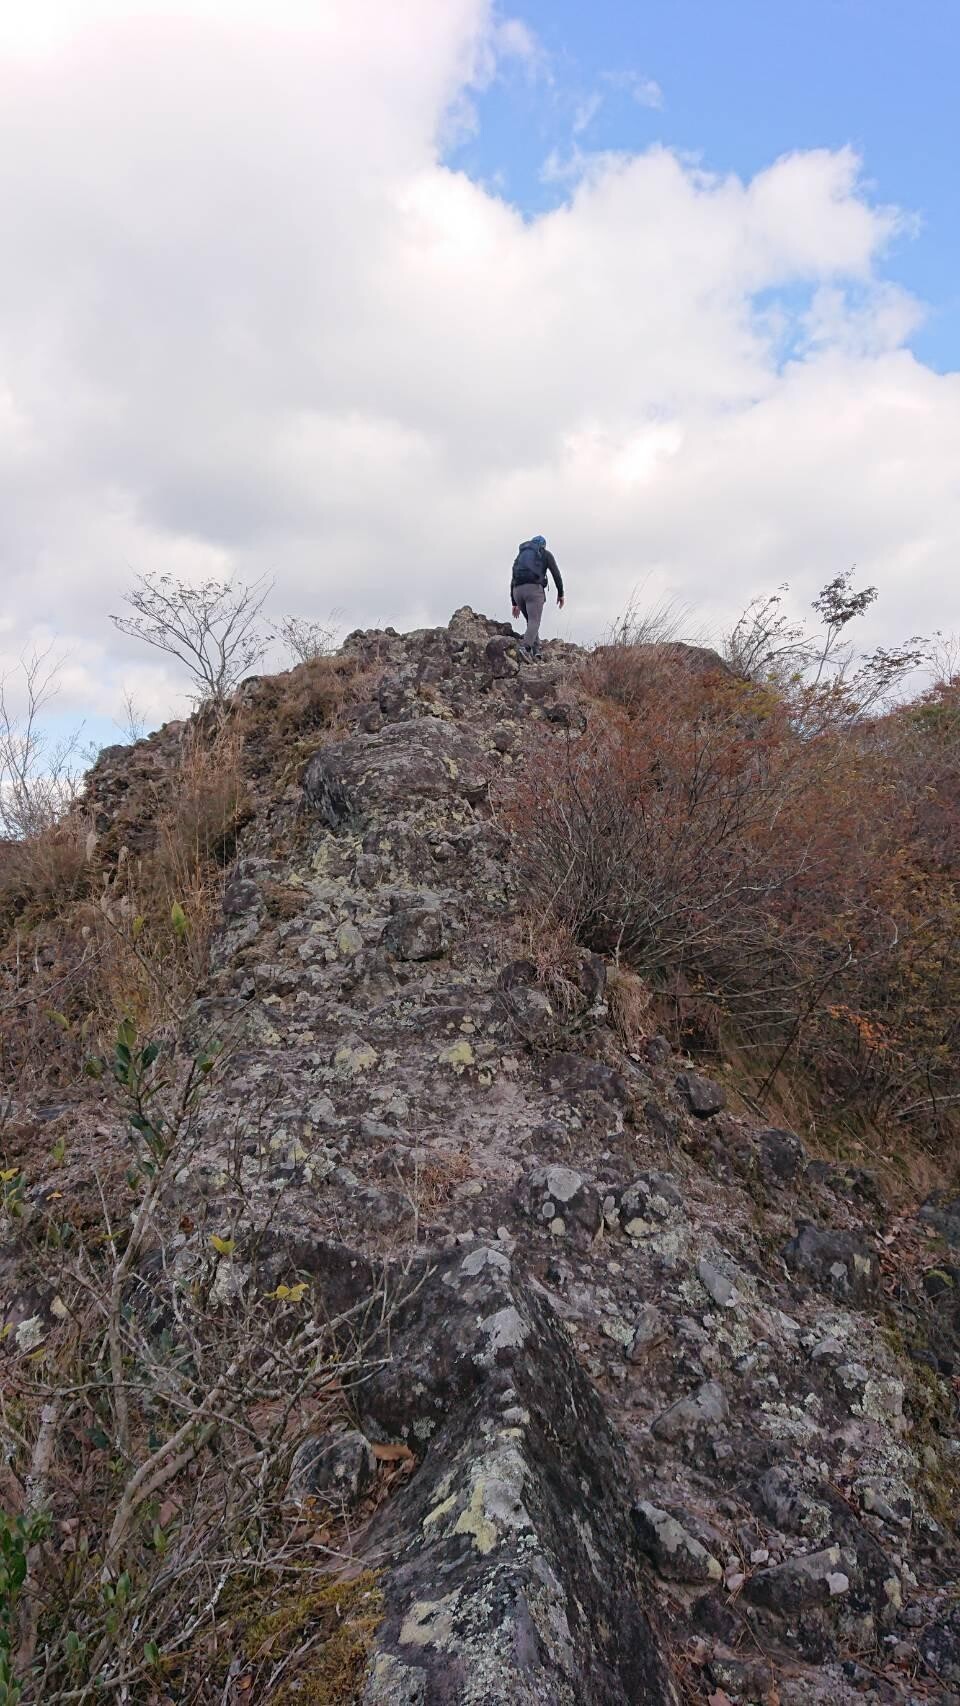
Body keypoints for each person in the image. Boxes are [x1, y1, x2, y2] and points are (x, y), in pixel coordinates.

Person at [510, 535, 564, 660]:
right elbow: (556, 574)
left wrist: (514, 602)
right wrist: (561, 593)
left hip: (517, 591)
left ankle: (536, 650)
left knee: (531, 622)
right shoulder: (545, 554)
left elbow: (513, 577)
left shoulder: (520, 557)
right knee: (535, 621)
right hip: (533, 590)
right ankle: (525, 647)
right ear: (543, 545)